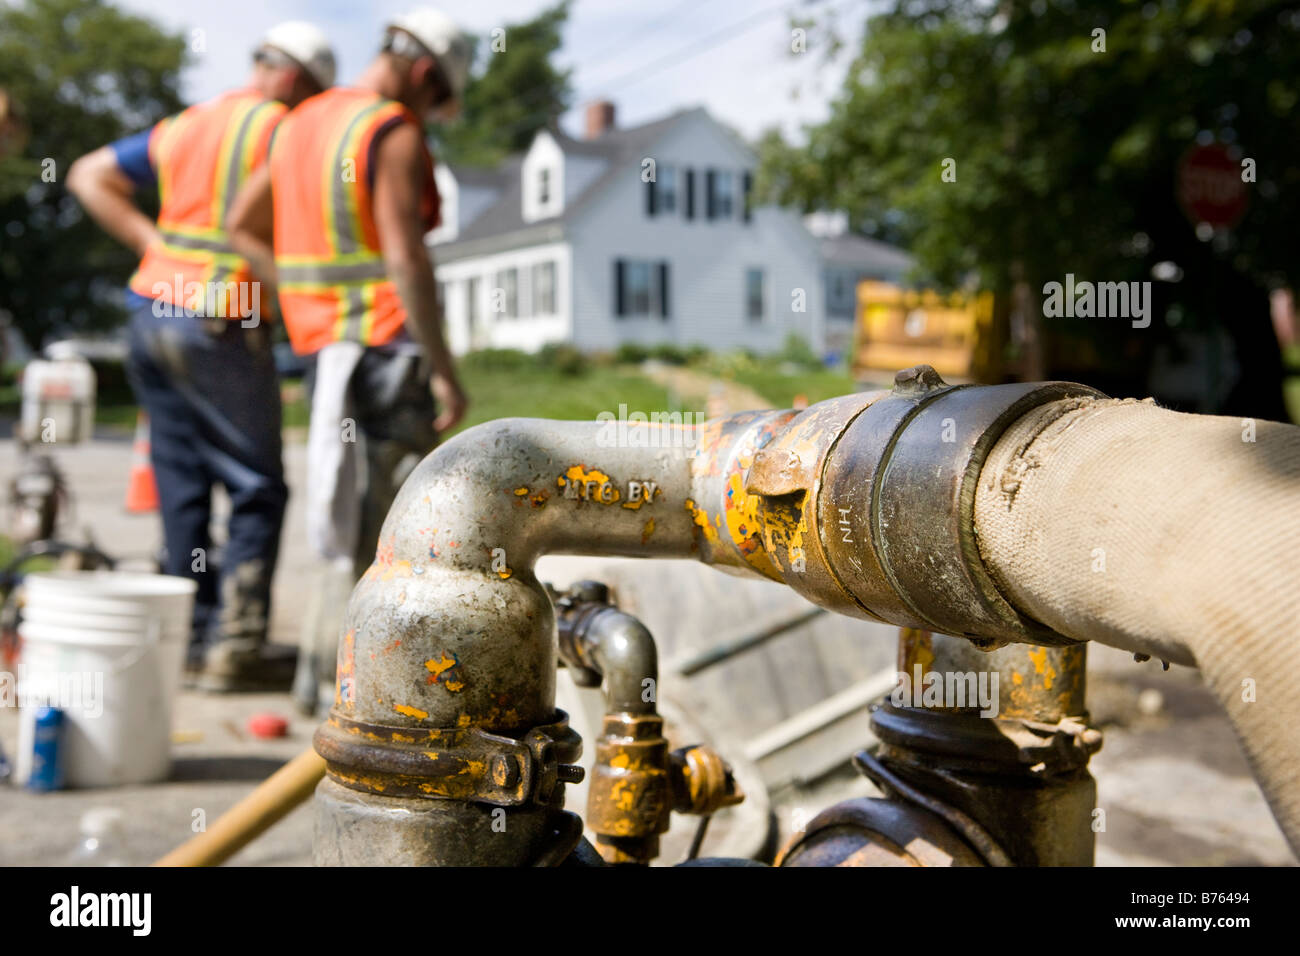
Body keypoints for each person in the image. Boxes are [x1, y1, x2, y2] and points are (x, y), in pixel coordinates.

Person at [67, 22, 337, 690]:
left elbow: (87, 174)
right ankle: (234, 649)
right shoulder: (286, 129)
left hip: (150, 312)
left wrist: (151, 244)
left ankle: (187, 639)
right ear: (301, 80)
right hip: (221, 315)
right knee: (256, 486)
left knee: (182, 483)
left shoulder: (189, 123)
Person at [226, 8, 470, 713]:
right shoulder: (388, 128)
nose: (427, 113)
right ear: (425, 75)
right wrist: (447, 367)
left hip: (325, 353)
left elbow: (243, 226)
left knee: (342, 530)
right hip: (388, 351)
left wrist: (302, 299)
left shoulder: (298, 124)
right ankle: (378, 702)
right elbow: (405, 254)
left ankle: (320, 689)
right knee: (401, 531)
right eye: (434, 99)